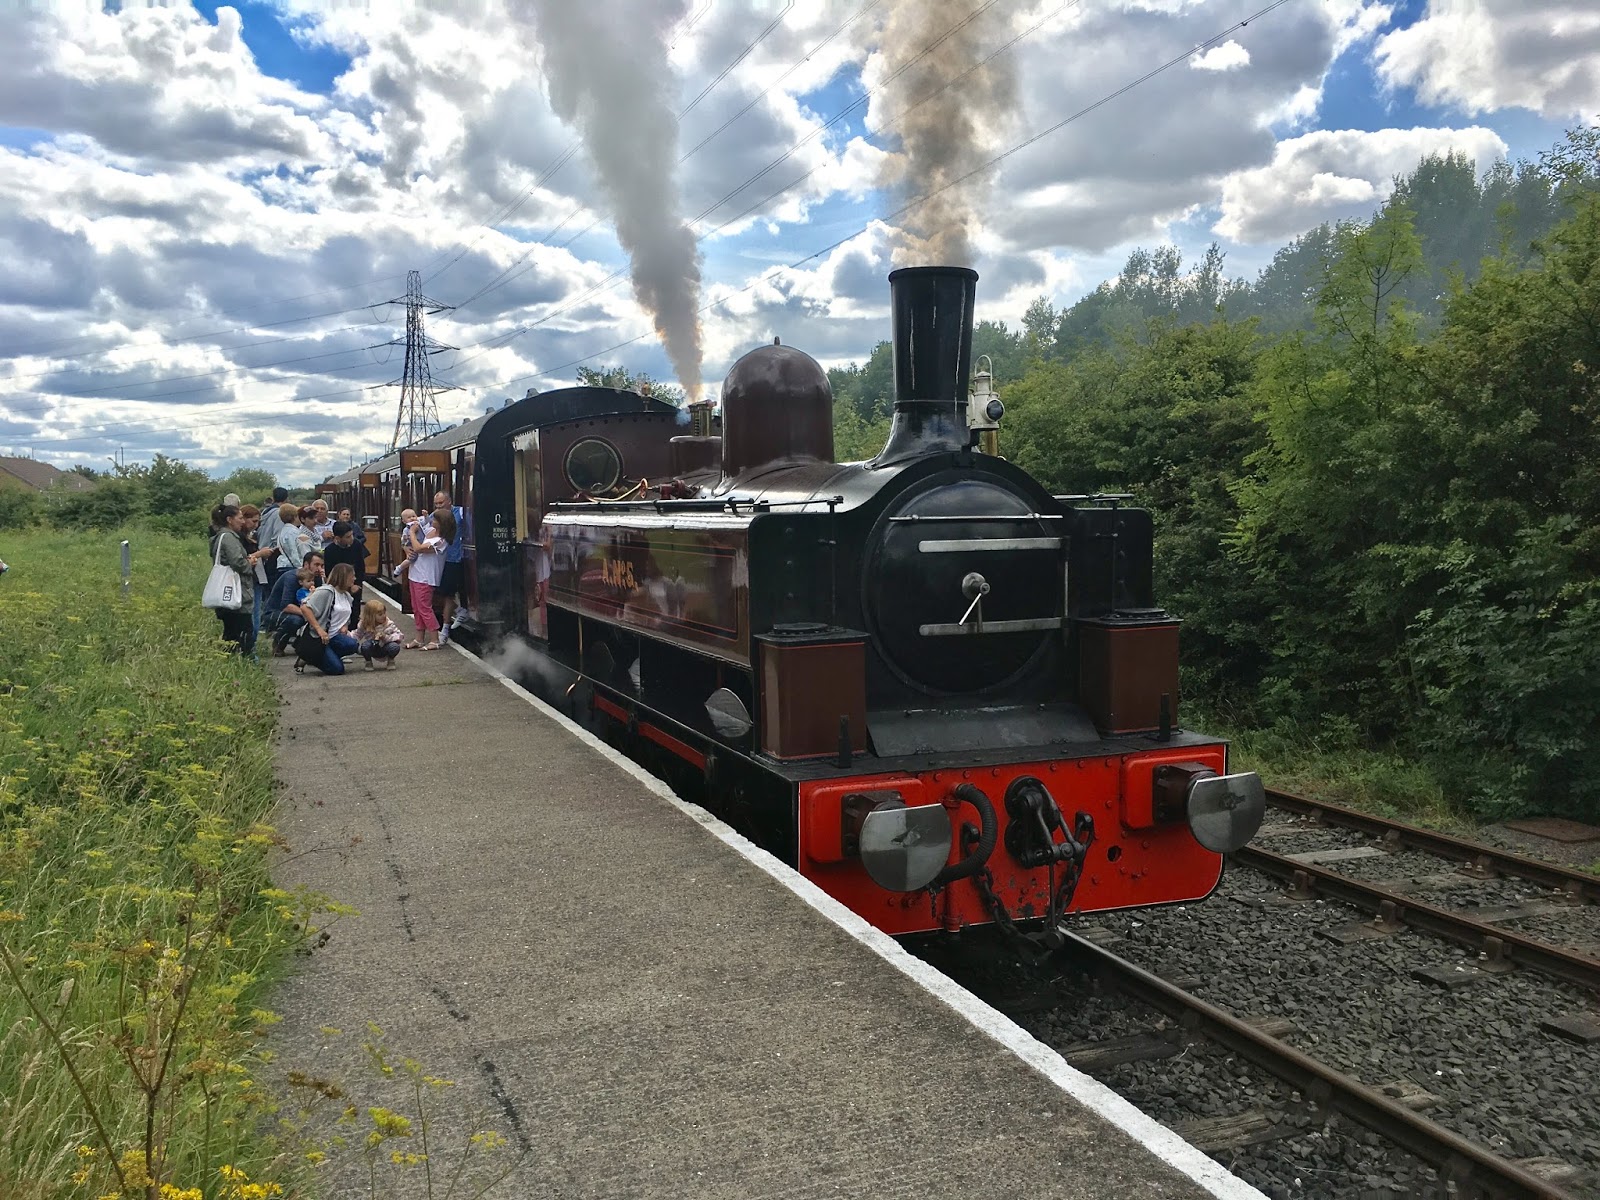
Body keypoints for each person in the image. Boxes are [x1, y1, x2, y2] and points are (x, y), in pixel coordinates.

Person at [207, 504, 260, 656]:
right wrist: (250, 562)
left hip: (228, 594)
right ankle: (245, 660)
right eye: (240, 518)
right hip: (237, 592)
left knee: (230, 633)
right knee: (243, 631)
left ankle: (229, 660)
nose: (243, 522)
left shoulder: (220, 536)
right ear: (229, 520)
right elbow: (237, 562)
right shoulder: (229, 538)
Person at [296, 563, 362, 675]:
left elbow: (345, 615)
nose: (355, 579)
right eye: (352, 576)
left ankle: (323, 656)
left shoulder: (347, 596)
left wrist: (345, 625)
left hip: (334, 637)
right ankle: (309, 656)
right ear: (343, 576)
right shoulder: (326, 591)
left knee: (352, 645)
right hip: (319, 638)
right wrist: (319, 629)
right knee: (337, 669)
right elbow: (305, 608)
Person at [403, 507, 451, 650]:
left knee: (425, 608)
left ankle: (434, 639)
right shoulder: (429, 531)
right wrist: (405, 547)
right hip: (415, 574)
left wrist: (412, 533)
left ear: (441, 523)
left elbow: (419, 548)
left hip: (426, 578)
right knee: (416, 608)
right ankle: (419, 638)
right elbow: (410, 543)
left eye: (435, 519)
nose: (432, 520)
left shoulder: (441, 541)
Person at [432, 489, 467, 641]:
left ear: (449, 501)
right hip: (441, 559)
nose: (438, 506)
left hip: (457, 558)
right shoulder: (434, 516)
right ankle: (459, 611)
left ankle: (445, 630)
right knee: (441, 591)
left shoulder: (461, 512)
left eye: (441, 503)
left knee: (448, 593)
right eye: (436, 504)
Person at [355, 599, 404, 670]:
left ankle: (391, 659)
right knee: (365, 646)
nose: (384, 616)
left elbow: (400, 636)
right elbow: (357, 634)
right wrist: (348, 637)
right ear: (371, 616)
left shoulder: (389, 624)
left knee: (394, 647)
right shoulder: (364, 624)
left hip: (385, 646)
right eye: (380, 614)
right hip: (372, 646)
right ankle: (368, 661)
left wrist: (386, 637)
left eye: (384, 613)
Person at [320, 521, 367, 596]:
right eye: (348, 537)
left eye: (352, 535)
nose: (351, 538)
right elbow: (329, 572)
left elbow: (361, 566)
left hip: (355, 586)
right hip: (338, 588)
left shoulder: (356, 544)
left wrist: (357, 584)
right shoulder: (330, 550)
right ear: (338, 538)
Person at [259, 487, 288, 581]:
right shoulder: (279, 513)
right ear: (286, 499)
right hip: (271, 554)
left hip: (262, 550)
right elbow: (277, 536)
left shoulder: (266, 511)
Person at [275, 503, 311, 572]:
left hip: (283, 565)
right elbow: (294, 552)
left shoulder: (283, 531)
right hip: (290, 566)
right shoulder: (292, 532)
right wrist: (300, 568)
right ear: (294, 517)